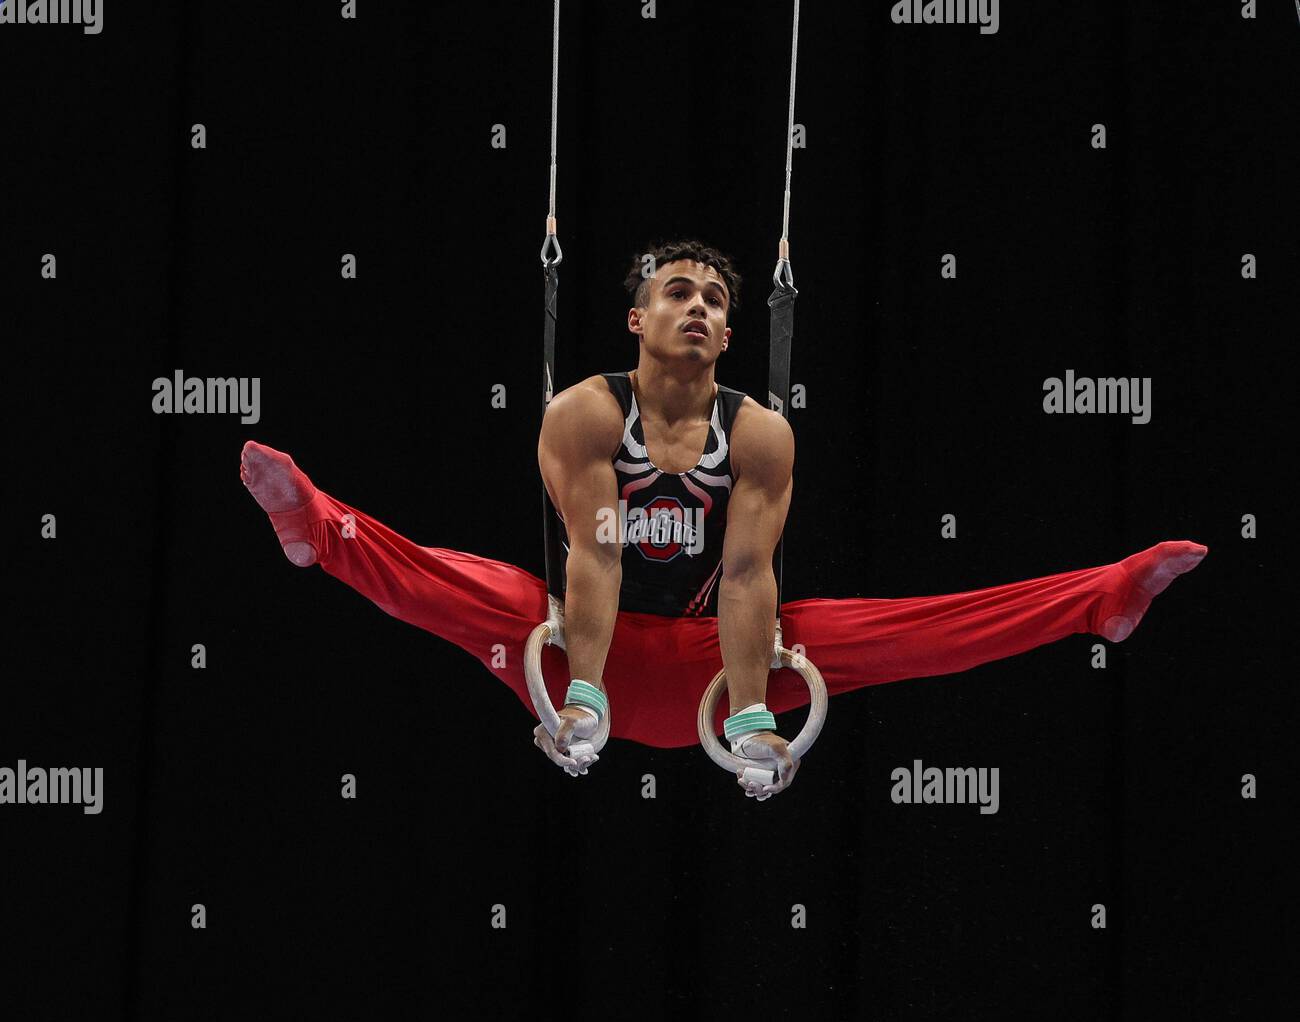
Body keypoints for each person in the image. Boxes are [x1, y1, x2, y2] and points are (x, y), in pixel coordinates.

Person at [241, 239, 1207, 801]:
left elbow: (746, 577)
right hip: (591, 643)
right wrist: (581, 696)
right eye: (677, 292)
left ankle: (1102, 598)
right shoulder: (583, 414)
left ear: (732, 333)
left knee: (893, 631)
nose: (697, 307)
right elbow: (599, 556)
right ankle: (315, 527)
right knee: (479, 590)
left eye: (713, 299)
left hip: (722, 660)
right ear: (637, 320)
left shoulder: (760, 435)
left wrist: (752, 716)